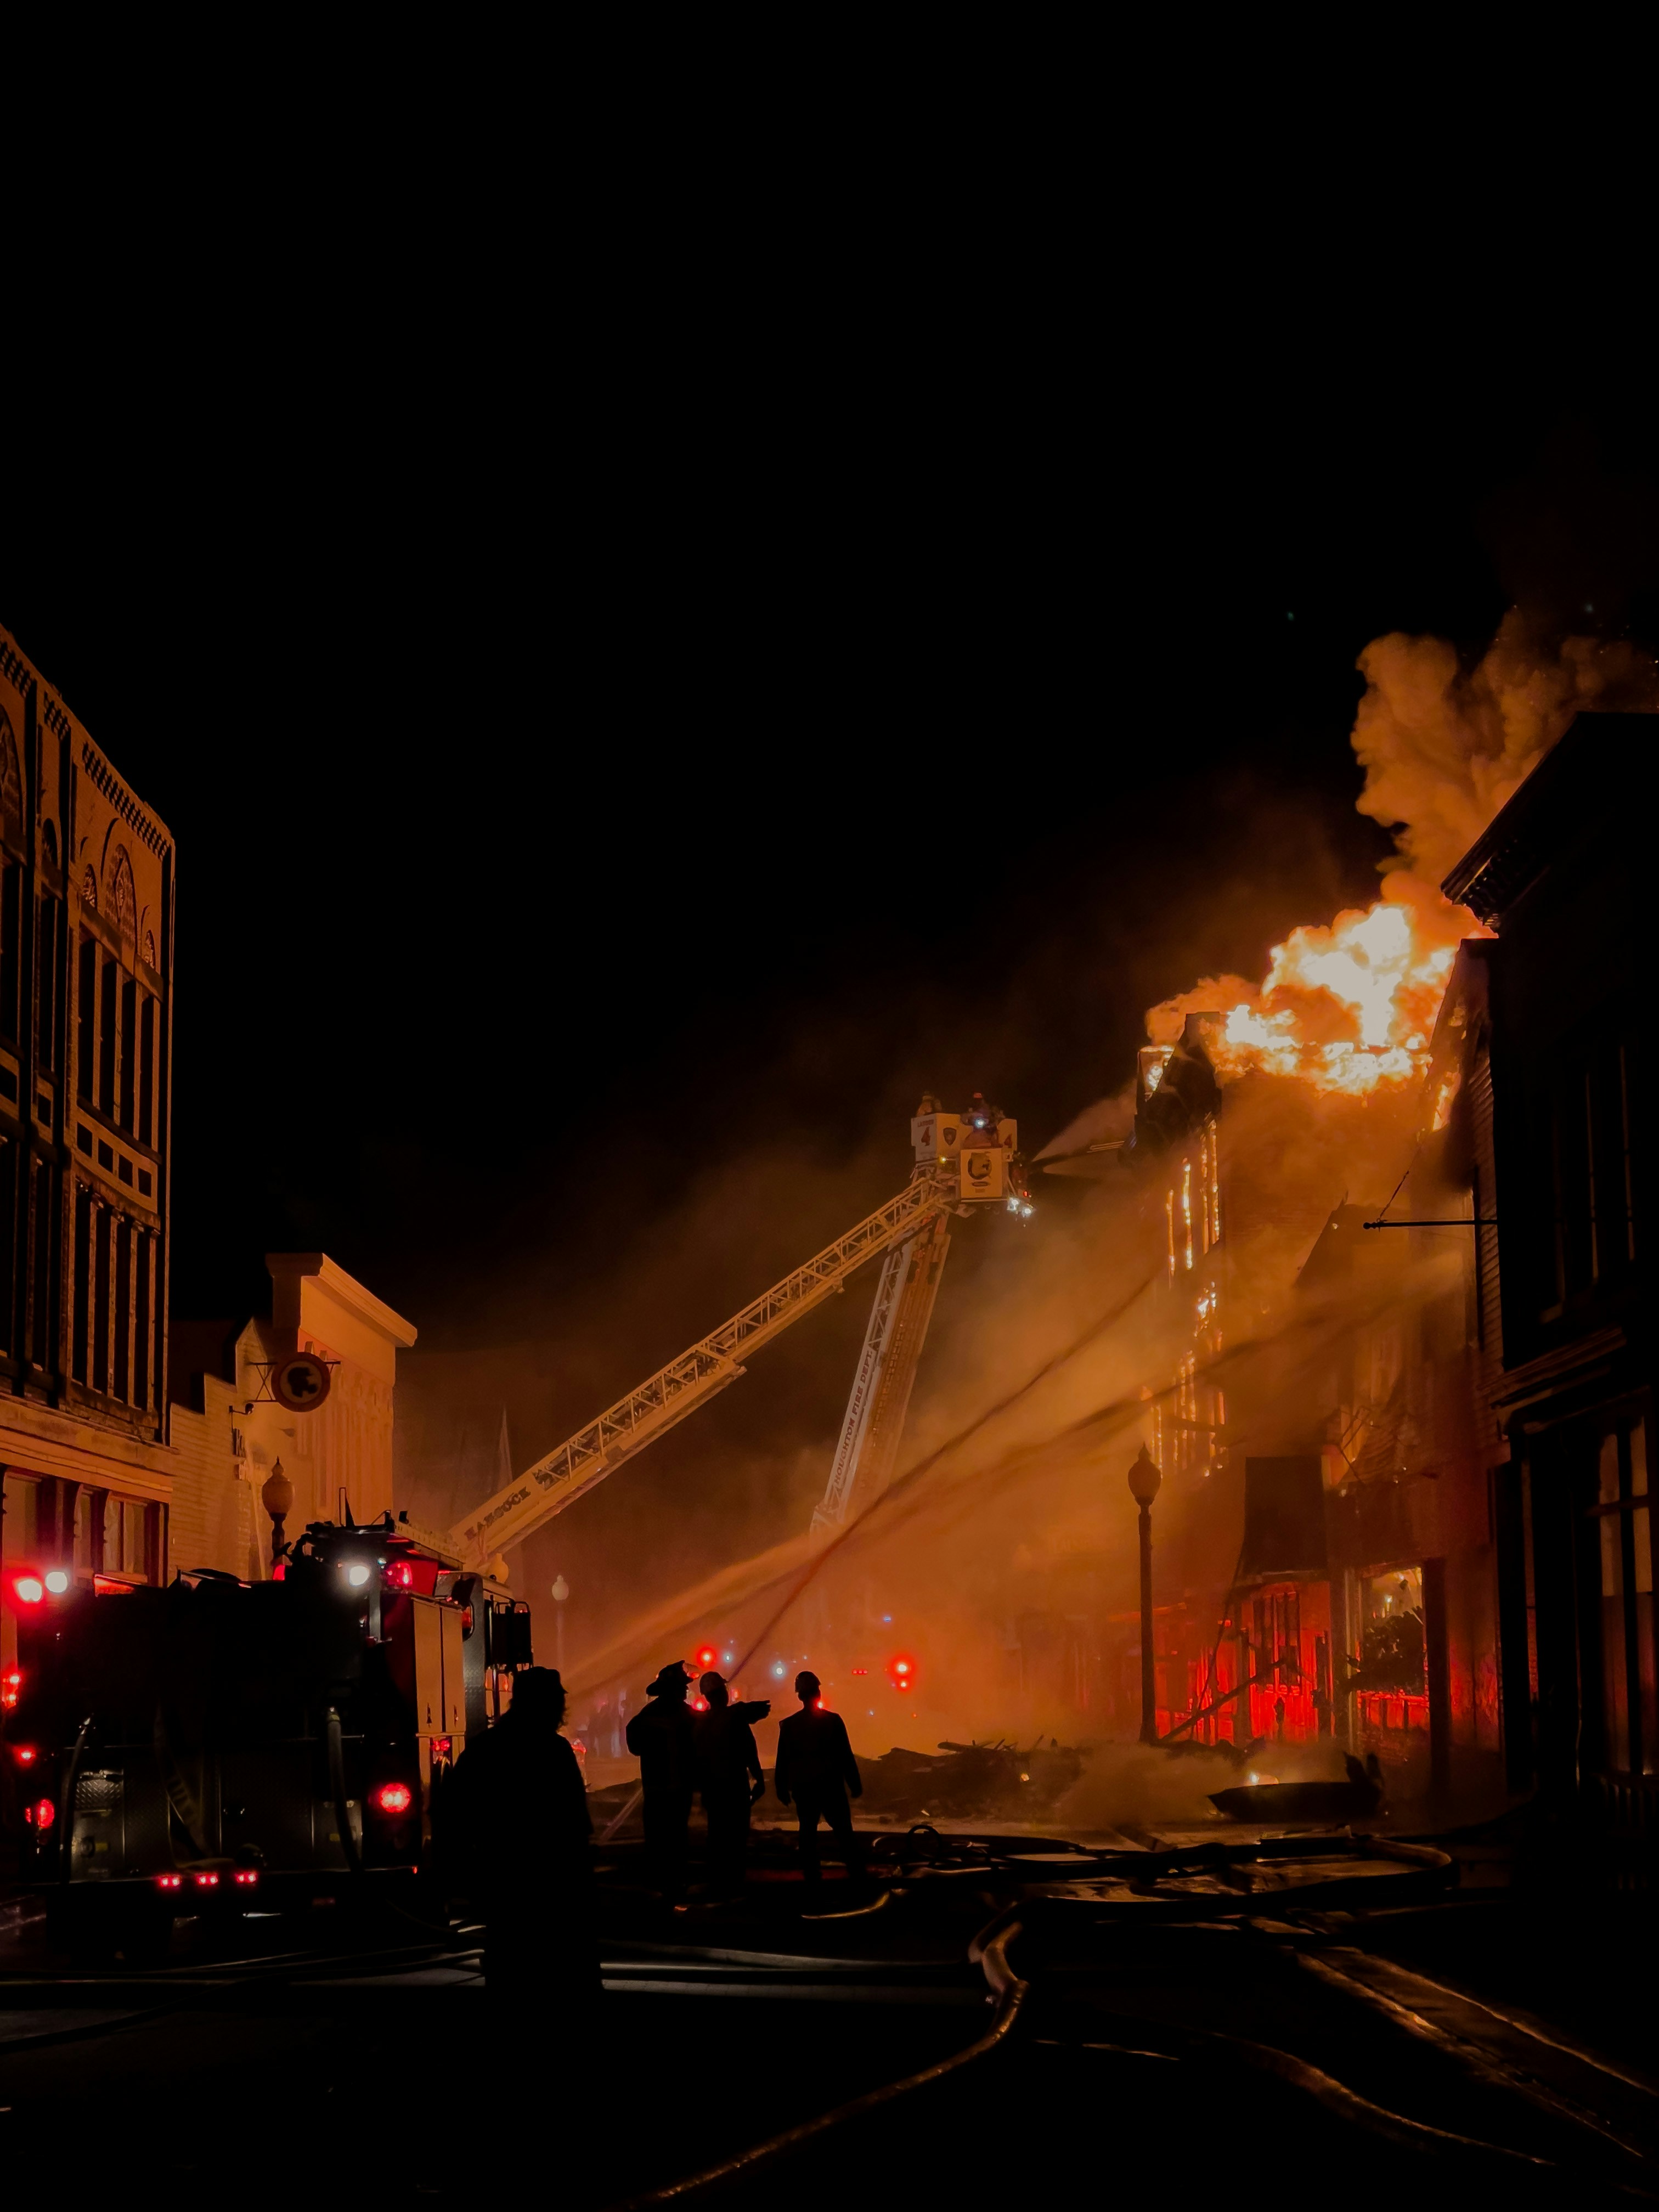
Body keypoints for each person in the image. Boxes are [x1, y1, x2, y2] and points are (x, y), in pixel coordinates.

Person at [442, 1666, 596, 2001]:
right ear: (547, 1704)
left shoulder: (483, 1749)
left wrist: (465, 1872)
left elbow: (451, 1813)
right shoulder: (554, 1751)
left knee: (509, 1961)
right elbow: (573, 1821)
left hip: (501, 1876)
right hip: (552, 1880)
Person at [774, 1671, 863, 1896]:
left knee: (808, 1833)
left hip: (805, 1789)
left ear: (800, 1695)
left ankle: (812, 1877)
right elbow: (845, 1755)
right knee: (844, 1832)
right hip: (831, 1787)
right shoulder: (833, 1722)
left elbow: (783, 1760)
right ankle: (857, 1875)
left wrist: (781, 1787)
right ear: (818, 1693)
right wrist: (854, 1783)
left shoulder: (790, 1726)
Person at [692, 1674, 770, 1897]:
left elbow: (697, 1759)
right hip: (735, 1788)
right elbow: (749, 1750)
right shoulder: (734, 1718)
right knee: (736, 1837)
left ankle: (718, 1882)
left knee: (717, 1836)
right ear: (720, 1694)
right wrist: (759, 1779)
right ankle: (734, 1885)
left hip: (713, 1790)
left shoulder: (701, 1724)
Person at [625, 1662, 696, 1900]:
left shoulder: (646, 1717)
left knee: (658, 1839)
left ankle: (658, 1886)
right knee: (676, 1838)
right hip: (676, 1789)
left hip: (656, 1789)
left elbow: (635, 1746)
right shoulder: (687, 1716)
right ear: (672, 1689)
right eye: (682, 1687)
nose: (686, 1690)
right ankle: (673, 1885)